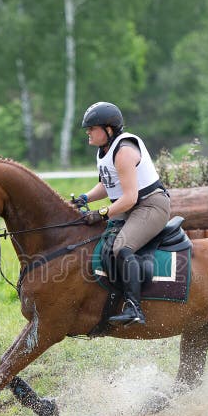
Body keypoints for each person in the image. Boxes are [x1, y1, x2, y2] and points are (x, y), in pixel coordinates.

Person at [73, 101, 170, 326]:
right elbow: (108, 186)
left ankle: (135, 308)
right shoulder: (104, 151)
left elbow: (129, 198)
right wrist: (85, 198)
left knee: (121, 248)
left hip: (150, 206)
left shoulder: (124, 151)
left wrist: (102, 213)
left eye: (92, 127)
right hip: (128, 209)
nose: (88, 131)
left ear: (108, 129)